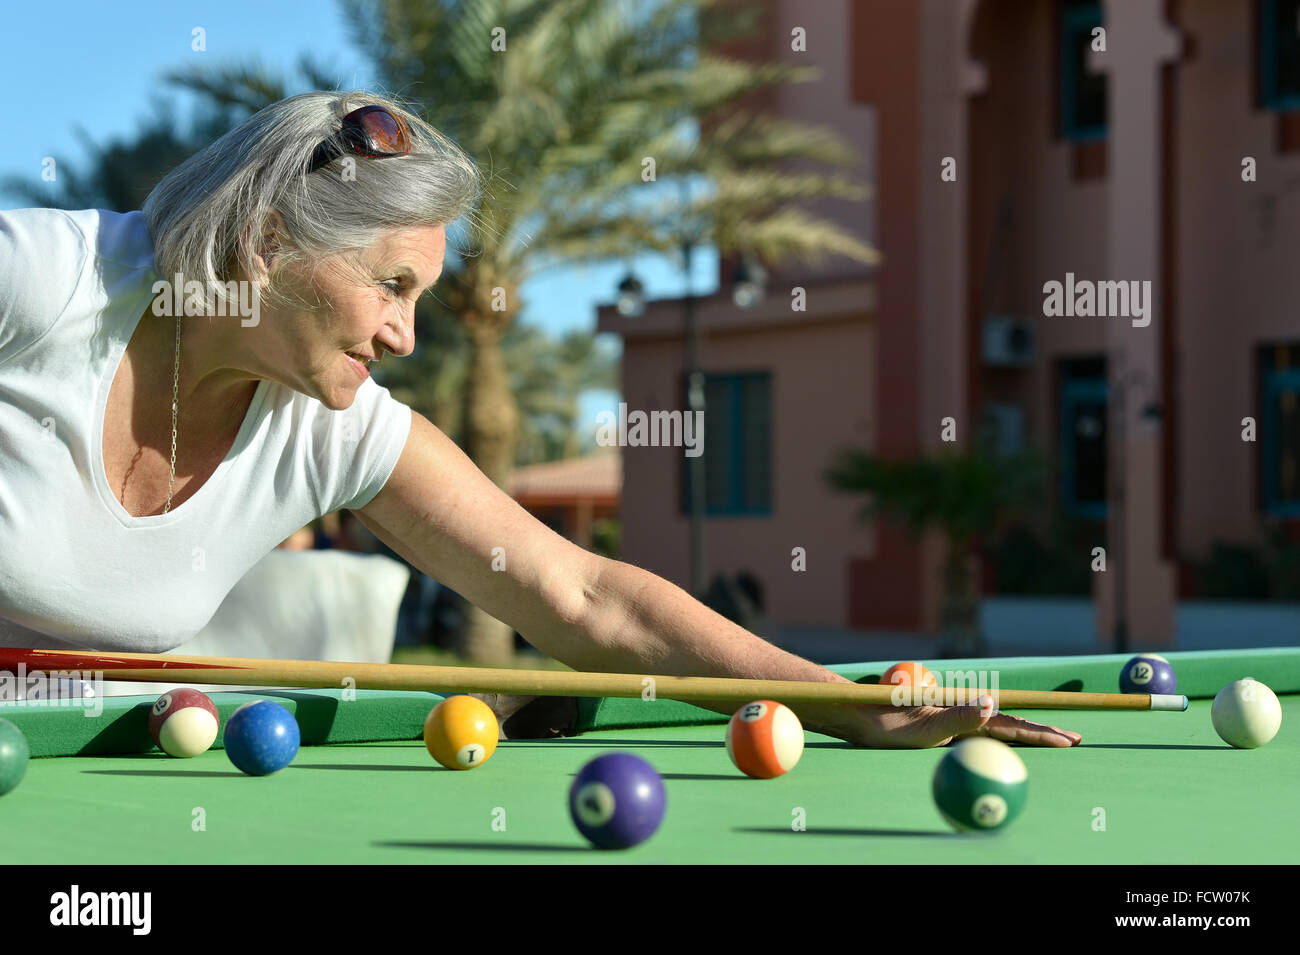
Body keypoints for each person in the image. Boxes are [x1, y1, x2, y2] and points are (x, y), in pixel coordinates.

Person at [0, 91, 1080, 749]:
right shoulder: (52, 281)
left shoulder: (330, 425)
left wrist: (844, 705)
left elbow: (586, 595)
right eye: (391, 286)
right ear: (267, 245)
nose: (404, 336)